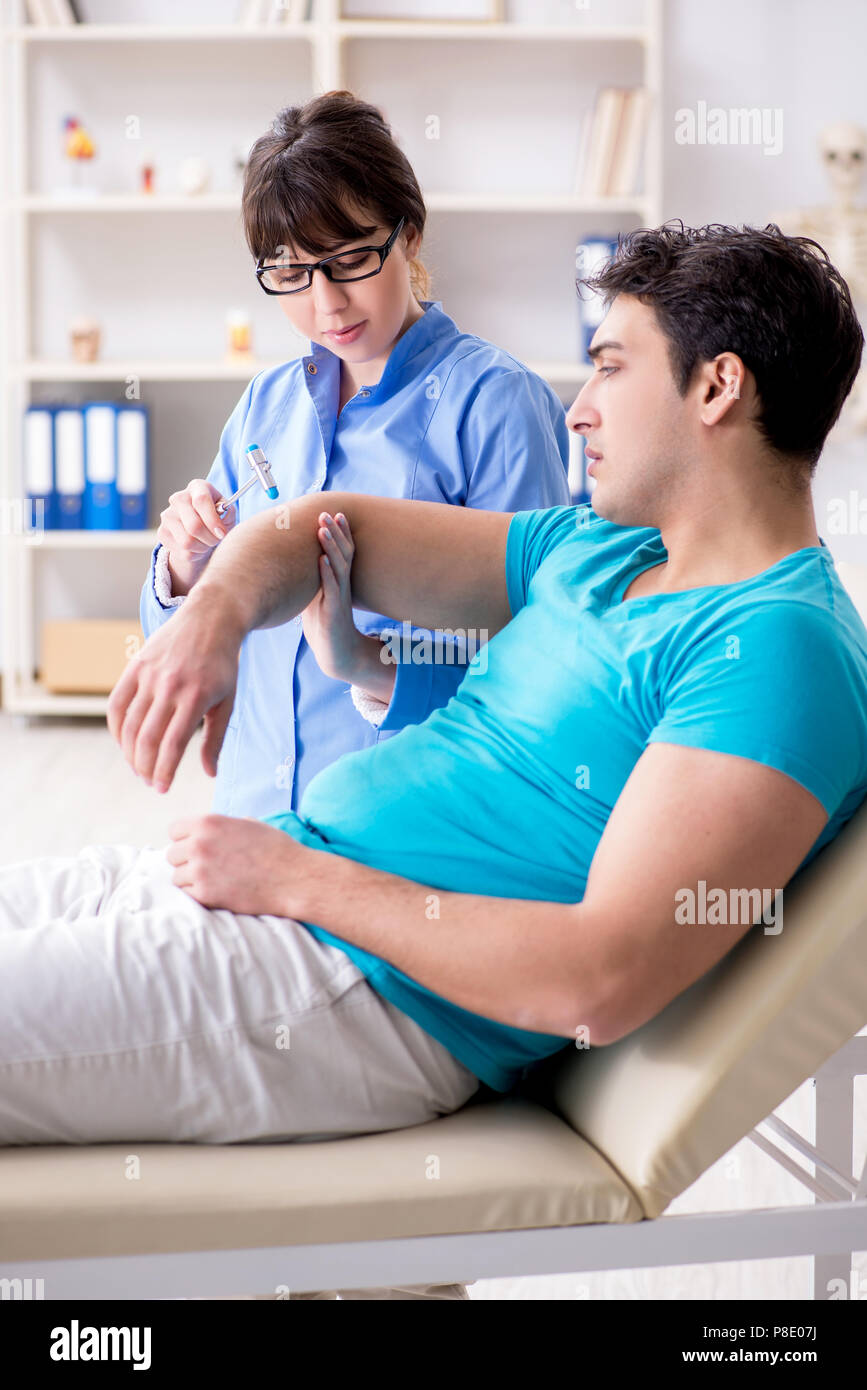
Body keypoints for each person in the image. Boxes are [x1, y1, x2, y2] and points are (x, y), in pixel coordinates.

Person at [4, 225, 867, 1310]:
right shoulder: (593, 551)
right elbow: (321, 527)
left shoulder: (776, 649)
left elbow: (599, 976)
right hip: (273, 897)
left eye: (609, 365)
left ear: (718, 388)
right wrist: (211, 614)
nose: (577, 406)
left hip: (353, 985)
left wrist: (296, 881)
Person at [141, 90, 570, 819]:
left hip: (400, 842)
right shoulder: (264, 406)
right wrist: (183, 570)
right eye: (291, 273)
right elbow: (185, 644)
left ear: (409, 234)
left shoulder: (496, 403)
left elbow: (537, 660)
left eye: (348, 261)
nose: (326, 304)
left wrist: (370, 663)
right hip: (248, 826)